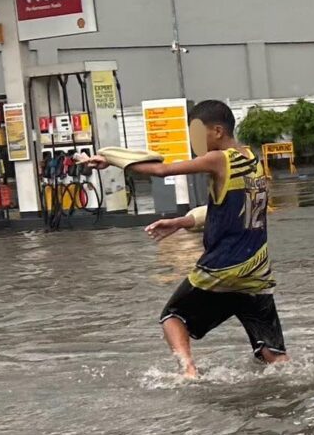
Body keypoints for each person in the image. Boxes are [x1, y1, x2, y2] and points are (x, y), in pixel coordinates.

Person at [85, 100, 287, 379]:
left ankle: (189, 371)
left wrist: (111, 159)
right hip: (256, 271)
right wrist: (182, 222)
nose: (194, 142)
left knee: (172, 317)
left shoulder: (219, 159)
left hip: (222, 268)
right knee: (272, 355)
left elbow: (161, 170)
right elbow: (234, 210)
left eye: (196, 133)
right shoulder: (254, 161)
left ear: (217, 131)